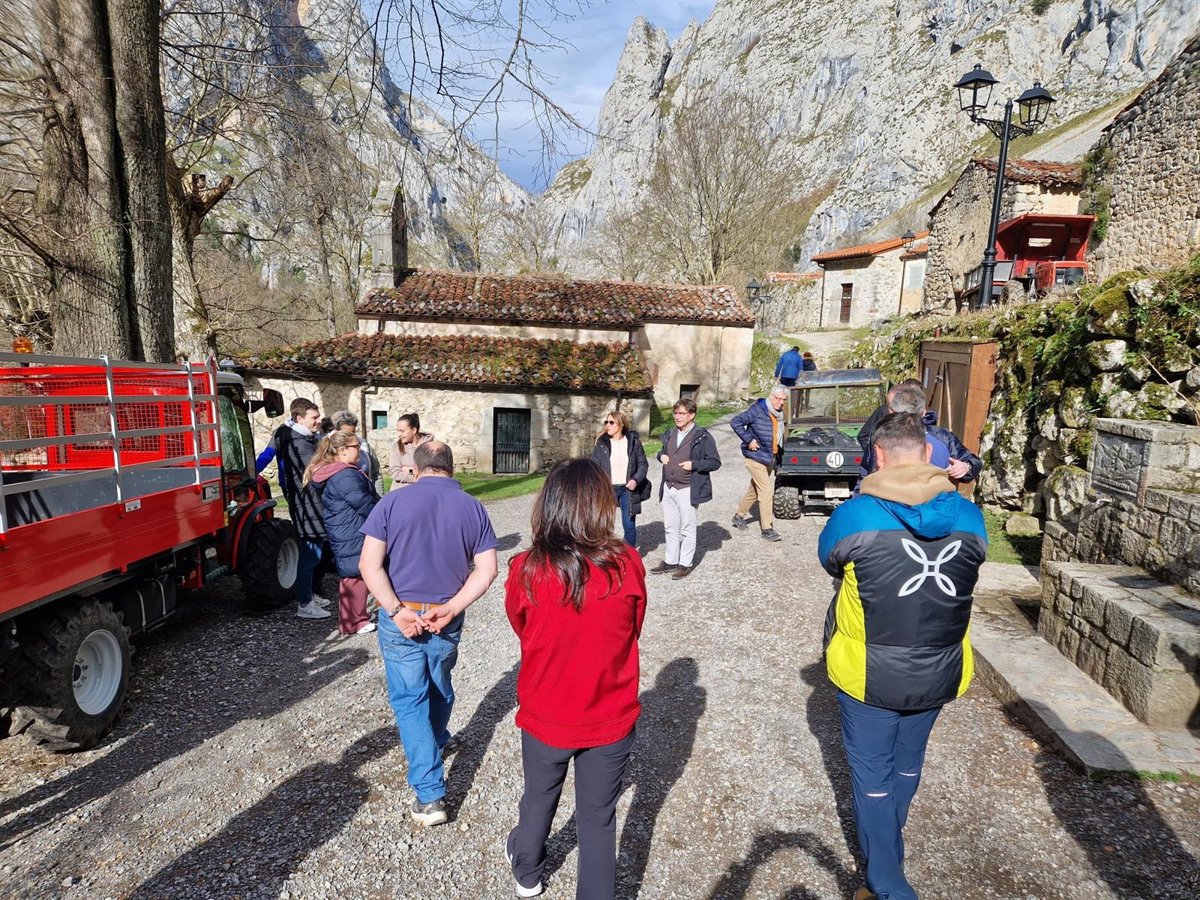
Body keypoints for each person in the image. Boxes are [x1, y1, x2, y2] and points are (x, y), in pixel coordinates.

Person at [818, 412, 987, 900]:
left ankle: (888, 881)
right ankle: (889, 849)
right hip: (941, 665)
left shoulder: (856, 513)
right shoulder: (970, 517)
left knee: (871, 772)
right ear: (930, 455)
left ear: (879, 455)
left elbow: (829, 558)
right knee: (909, 763)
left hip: (868, 671)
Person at [504, 459, 647, 900]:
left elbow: (521, 627)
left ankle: (527, 870)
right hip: (609, 712)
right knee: (598, 818)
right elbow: (633, 626)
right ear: (602, 506)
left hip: (548, 709)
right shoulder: (627, 564)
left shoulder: (527, 569)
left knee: (538, 796)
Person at [359, 441, 498, 827]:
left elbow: (369, 565)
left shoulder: (390, 503)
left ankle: (430, 793)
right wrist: (453, 607)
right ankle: (436, 741)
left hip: (400, 614)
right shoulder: (472, 507)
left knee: (409, 700)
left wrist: (397, 610)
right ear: (451, 469)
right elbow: (487, 570)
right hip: (445, 615)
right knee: (439, 683)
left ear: (415, 469)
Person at [305, 431, 380, 635]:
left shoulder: (338, 471)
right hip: (352, 529)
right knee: (355, 575)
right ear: (342, 450)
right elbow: (362, 502)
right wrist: (384, 515)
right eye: (356, 446)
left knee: (357, 572)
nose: (360, 449)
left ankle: (357, 616)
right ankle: (353, 622)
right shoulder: (344, 474)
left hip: (346, 528)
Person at [269, 398, 330, 620]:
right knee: (311, 553)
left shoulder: (304, 437)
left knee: (315, 550)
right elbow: (317, 469)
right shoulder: (298, 442)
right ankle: (304, 603)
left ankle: (310, 593)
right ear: (299, 418)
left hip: (309, 501)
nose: (319, 421)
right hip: (307, 503)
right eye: (314, 417)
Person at [650, 398, 722, 578]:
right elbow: (662, 452)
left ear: (692, 415)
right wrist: (661, 457)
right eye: (675, 413)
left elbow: (715, 462)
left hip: (688, 488)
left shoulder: (702, 435)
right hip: (669, 487)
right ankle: (670, 560)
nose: (677, 417)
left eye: (682, 413)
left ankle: (685, 563)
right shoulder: (669, 433)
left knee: (688, 528)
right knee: (670, 526)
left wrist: (695, 464)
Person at [859, 384, 982, 486]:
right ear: (924, 413)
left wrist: (967, 467)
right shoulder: (880, 436)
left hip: (933, 506)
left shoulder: (941, 437)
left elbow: (972, 460)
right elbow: (866, 474)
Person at [730, 385, 787, 542]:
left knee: (754, 490)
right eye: (778, 399)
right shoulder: (758, 410)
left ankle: (738, 516)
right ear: (771, 396)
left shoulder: (780, 414)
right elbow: (736, 422)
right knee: (766, 491)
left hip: (768, 458)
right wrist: (749, 439)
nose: (781, 402)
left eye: (783, 400)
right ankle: (767, 529)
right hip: (755, 457)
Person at [590, 410, 649, 548]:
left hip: (627, 489)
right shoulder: (601, 444)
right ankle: (603, 553)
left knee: (629, 525)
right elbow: (593, 466)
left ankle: (629, 556)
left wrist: (635, 480)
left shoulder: (633, 442)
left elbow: (643, 464)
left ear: (621, 424)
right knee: (602, 523)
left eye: (611, 422)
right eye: (606, 422)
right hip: (607, 489)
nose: (607, 425)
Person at [331, 409, 385, 497]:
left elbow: (376, 473)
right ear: (336, 431)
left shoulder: (364, 445)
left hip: (367, 495)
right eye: (346, 433)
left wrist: (380, 497)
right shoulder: (329, 447)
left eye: (353, 432)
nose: (351, 436)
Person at [388, 413, 434, 489]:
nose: (399, 434)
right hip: (400, 493)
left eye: (402, 431)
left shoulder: (430, 446)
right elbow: (395, 473)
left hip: (424, 491)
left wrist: (408, 470)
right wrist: (414, 477)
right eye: (398, 431)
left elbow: (432, 471)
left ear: (413, 430)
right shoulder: (396, 447)